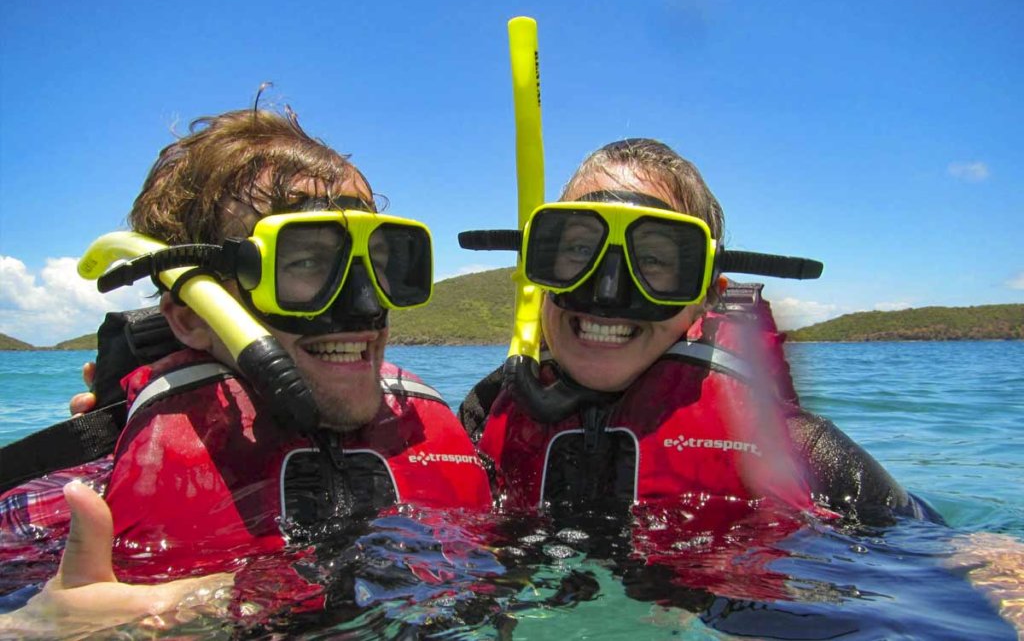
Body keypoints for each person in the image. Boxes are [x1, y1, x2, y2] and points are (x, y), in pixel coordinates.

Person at [1, 105, 493, 633]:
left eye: (384, 260)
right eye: (305, 262)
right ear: (192, 316)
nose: (366, 305)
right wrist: (35, 624)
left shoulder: (448, 442)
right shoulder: (68, 508)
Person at [459, 137, 941, 524]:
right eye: (578, 251)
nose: (606, 293)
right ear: (535, 269)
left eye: (653, 260)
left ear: (708, 293)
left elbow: (954, 561)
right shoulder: (482, 423)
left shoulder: (795, 451)